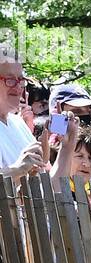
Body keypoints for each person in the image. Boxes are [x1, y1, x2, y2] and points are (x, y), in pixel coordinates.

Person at [0, 47, 43, 180]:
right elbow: (21, 168)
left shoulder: (18, 123)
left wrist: (67, 147)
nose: (18, 88)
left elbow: (46, 184)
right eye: (10, 80)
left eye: (20, 79)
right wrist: (17, 169)